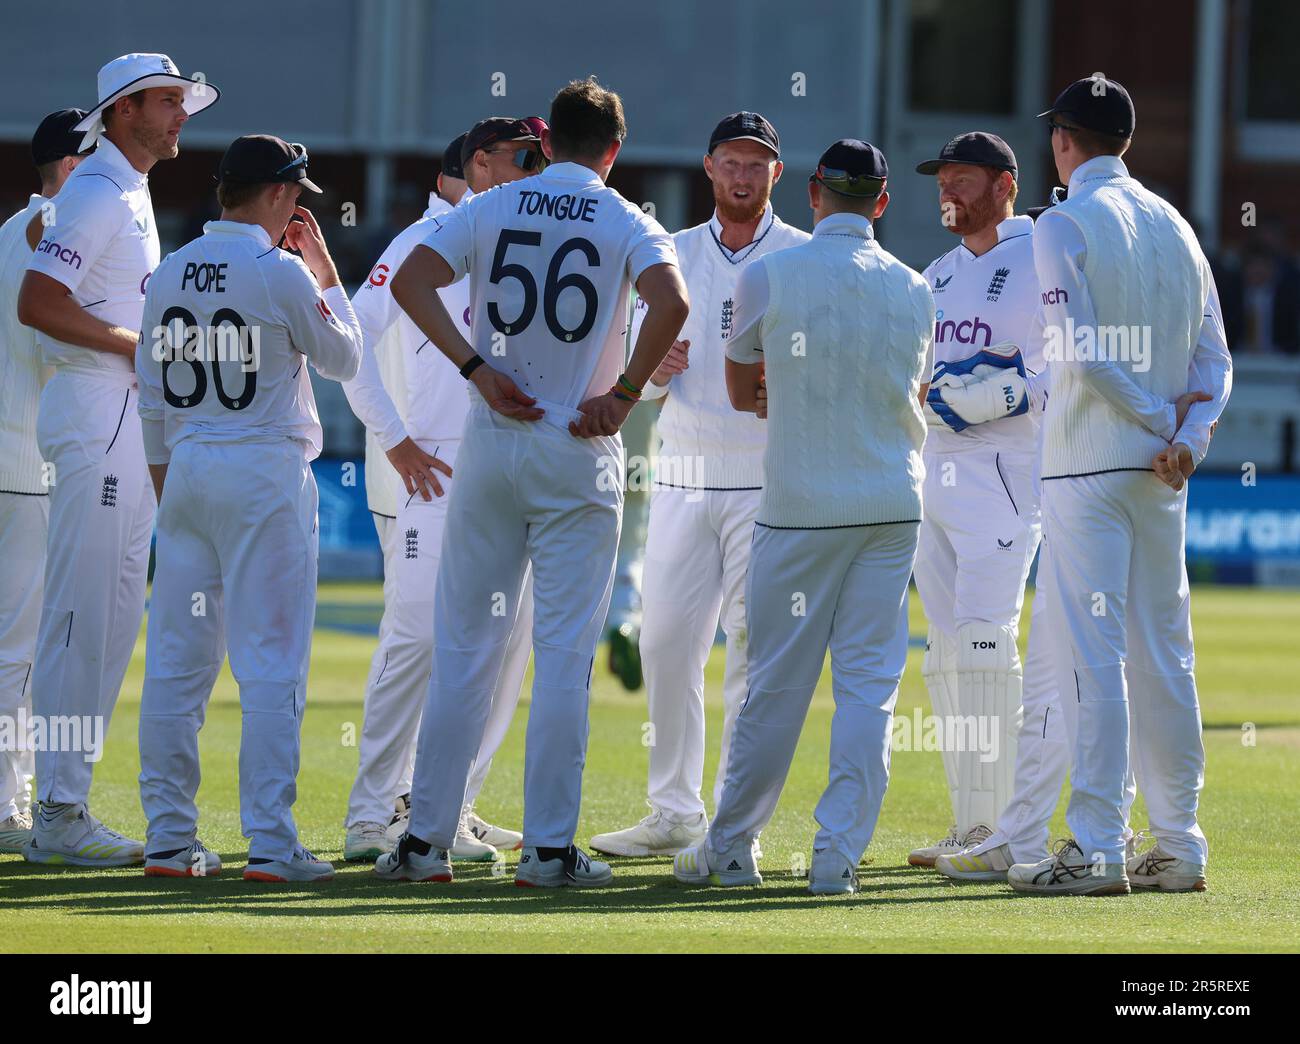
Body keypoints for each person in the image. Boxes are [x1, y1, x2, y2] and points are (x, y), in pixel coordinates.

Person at [378, 76, 688, 887]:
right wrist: (622, 394)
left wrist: (476, 369)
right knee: (562, 659)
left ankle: (422, 844)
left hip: (493, 435)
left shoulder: (493, 204)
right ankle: (549, 852)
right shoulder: (628, 218)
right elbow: (673, 302)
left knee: (462, 649)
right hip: (575, 445)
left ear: (547, 143)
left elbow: (412, 281)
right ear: (614, 151)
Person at [674, 140, 934, 895]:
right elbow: (910, 391)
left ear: (814, 195)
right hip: (890, 506)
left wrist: (791, 388)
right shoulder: (916, 288)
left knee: (775, 687)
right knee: (868, 690)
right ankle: (836, 858)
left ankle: (731, 849)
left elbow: (738, 388)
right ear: (881, 203)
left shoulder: (769, 273)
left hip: (798, 508)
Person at [1007, 76, 1231, 896]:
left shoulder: (1060, 221)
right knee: (1165, 657)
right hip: (1159, 473)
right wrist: (1186, 438)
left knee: (1093, 659)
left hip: (1091, 464)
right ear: (1125, 142)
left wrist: (1151, 425)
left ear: (1065, 140)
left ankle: (1098, 845)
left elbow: (1079, 347)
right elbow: (1216, 360)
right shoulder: (1176, 226)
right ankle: (1179, 843)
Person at [135, 135, 361, 881]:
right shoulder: (280, 270)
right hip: (262, 468)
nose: (298, 208)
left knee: (175, 663)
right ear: (274, 194)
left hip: (190, 465)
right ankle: (270, 842)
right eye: (295, 196)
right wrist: (325, 270)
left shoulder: (166, 272)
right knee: (270, 663)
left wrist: (173, 486)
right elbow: (344, 360)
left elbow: (154, 398)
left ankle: (168, 838)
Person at [17, 53, 220, 867]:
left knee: (108, 617)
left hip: (119, 418)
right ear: (124, 109)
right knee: (81, 618)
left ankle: (66, 803)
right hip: (98, 414)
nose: (181, 116)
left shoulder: (125, 189)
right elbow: (39, 301)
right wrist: (136, 346)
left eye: (182, 102)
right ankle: (59, 811)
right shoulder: (99, 192)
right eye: (167, 102)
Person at [590, 112, 809, 859]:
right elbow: (633, 378)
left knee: (751, 651)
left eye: (757, 165)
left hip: (766, 480)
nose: (743, 176)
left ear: (776, 174)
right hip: (682, 476)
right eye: (731, 163)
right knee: (666, 642)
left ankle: (733, 825)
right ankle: (674, 811)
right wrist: (651, 371)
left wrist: (797, 381)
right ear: (708, 168)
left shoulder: (802, 259)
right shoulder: (670, 254)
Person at [340, 120, 549, 864]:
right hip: (422, 475)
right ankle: (373, 810)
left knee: (505, 642)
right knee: (418, 637)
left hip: (501, 467)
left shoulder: (515, 238)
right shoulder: (417, 243)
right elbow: (346, 342)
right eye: (526, 159)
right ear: (481, 163)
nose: (536, 172)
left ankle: (450, 803)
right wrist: (394, 439)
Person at [904, 132, 1063, 871]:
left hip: (1005, 474)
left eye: (962, 179)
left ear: (1005, 183)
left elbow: (1064, 367)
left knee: (984, 641)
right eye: (943, 180)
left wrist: (995, 393)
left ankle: (1004, 830)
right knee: (947, 652)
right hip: (933, 472)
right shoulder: (933, 274)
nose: (949, 192)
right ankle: (973, 825)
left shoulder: (1042, 257)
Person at [0, 110, 93, 855]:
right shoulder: (52, 229)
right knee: (18, 650)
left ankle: (13, 798)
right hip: (26, 468)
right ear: (70, 163)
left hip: (18, 464)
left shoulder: (13, 228)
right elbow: (56, 342)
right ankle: (6, 805)